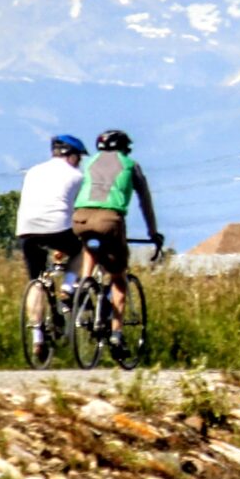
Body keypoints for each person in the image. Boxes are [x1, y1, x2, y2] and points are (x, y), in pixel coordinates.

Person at [71, 128, 161, 358]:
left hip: (81, 217)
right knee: (119, 277)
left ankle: (84, 282)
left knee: (90, 243)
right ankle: (116, 334)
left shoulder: (88, 163)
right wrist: (153, 232)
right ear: (124, 148)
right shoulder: (130, 165)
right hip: (109, 219)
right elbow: (145, 202)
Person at [14, 134, 87, 352]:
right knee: (82, 250)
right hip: (57, 229)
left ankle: (37, 337)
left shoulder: (33, 171)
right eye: (79, 157)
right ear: (71, 156)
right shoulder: (76, 176)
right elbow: (80, 209)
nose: (80, 161)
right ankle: (68, 287)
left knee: (37, 282)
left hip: (26, 229)